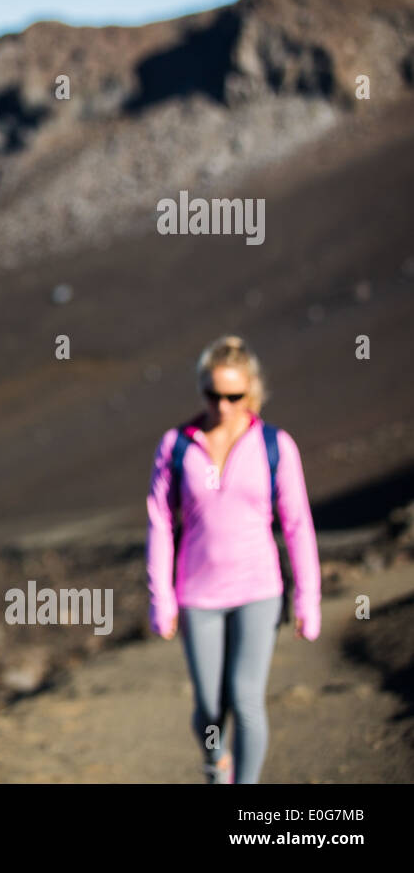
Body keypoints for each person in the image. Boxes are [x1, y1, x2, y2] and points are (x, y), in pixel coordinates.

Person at [145, 335, 320, 784]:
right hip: (197, 594)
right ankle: (214, 764)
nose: (223, 406)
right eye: (213, 395)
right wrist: (161, 600)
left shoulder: (275, 446)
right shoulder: (176, 445)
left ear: (252, 391)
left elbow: (297, 524)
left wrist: (308, 601)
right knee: (208, 707)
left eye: (234, 396)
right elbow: (160, 523)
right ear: (201, 391)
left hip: (258, 591)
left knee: (245, 699)